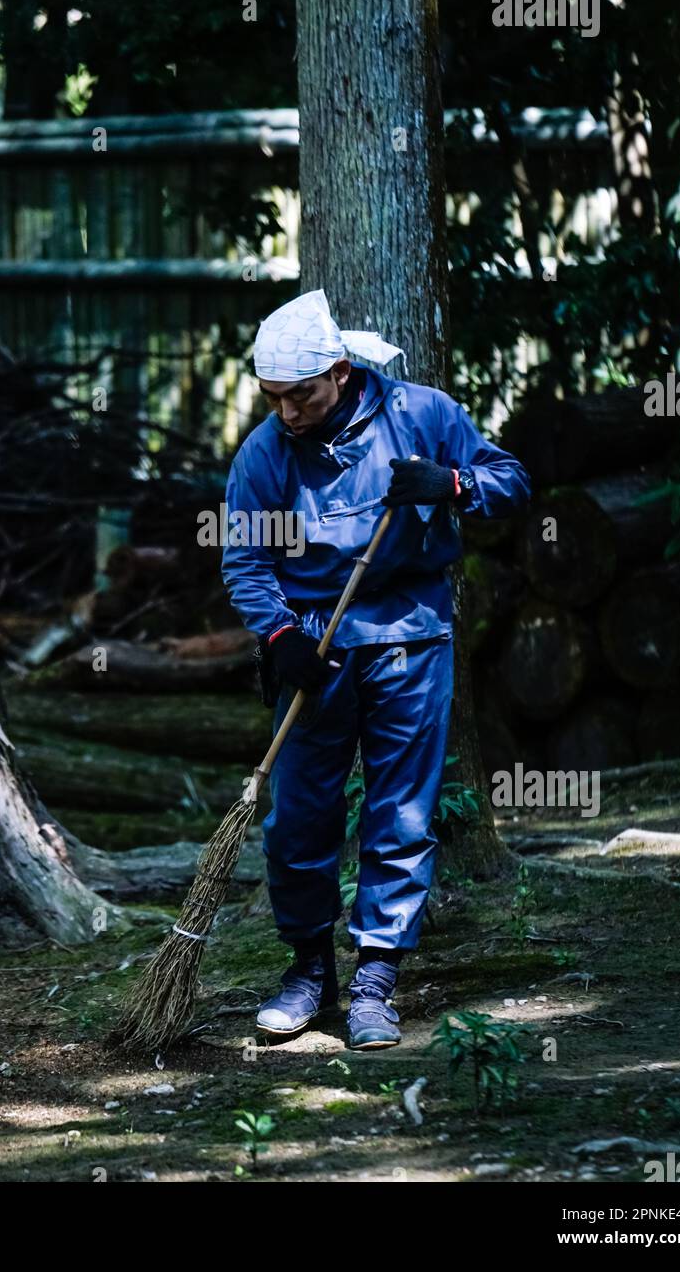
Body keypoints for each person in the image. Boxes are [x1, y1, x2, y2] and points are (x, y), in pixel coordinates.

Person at [220, 289, 531, 1049]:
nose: (289, 413)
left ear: (340, 371)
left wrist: (450, 485)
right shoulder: (265, 453)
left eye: (302, 396)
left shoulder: (421, 416)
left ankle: (374, 982)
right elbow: (245, 559)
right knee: (298, 818)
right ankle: (306, 974)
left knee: (399, 814)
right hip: (315, 648)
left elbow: (513, 484)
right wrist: (278, 637)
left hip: (409, 635)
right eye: (274, 400)